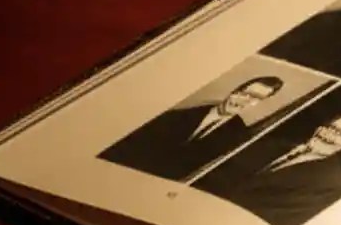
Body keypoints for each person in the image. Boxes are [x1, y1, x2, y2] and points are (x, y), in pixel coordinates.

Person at [193, 113, 341, 225]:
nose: (327, 135)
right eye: (330, 127)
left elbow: (270, 221)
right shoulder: (274, 144)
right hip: (196, 208)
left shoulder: (329, 185)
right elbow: (220, 172)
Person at [99, 76, 284, 181]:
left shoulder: (238, 138)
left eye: (255, 98)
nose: (245, 101)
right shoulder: (181, 112)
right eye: (245, 93)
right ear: (234, 90)